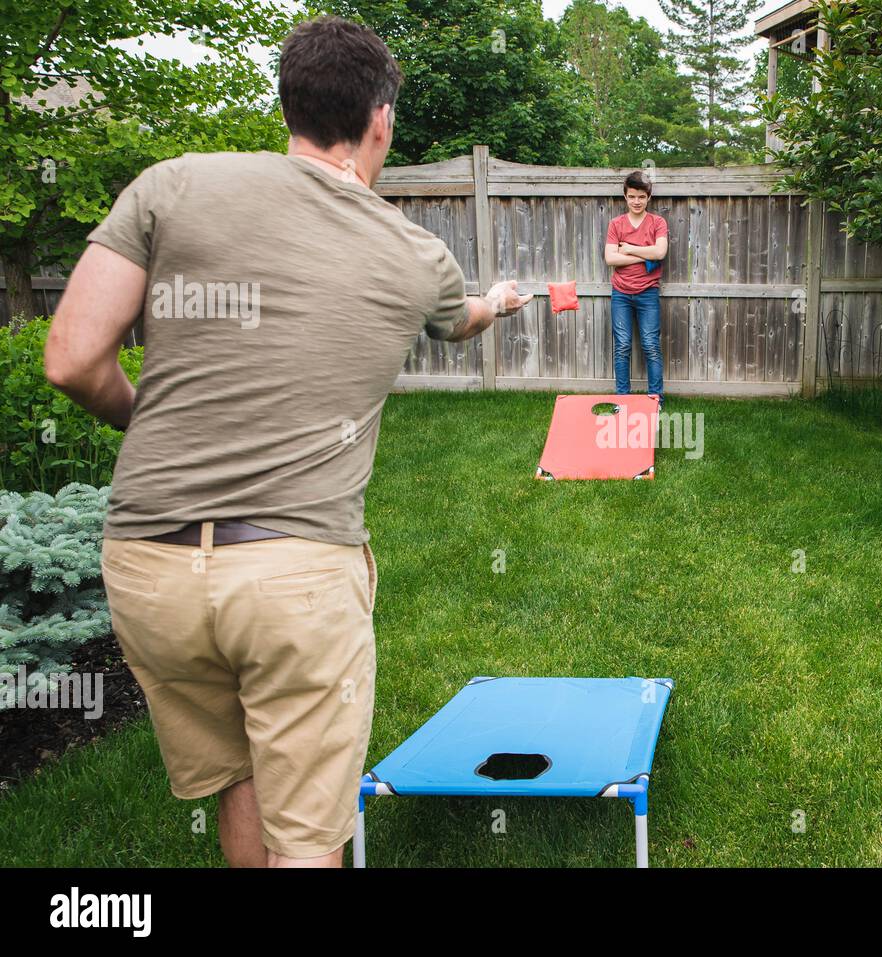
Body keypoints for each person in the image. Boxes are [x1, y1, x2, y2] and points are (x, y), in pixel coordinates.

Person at [42, 15, 531, 868]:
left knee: (244, 776)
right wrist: (497, 302)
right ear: (381, 118)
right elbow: (462, 322)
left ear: (290, 105)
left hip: (149, 568)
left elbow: (74, 359)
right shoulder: (416, 256)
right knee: (308, 836)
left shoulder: (171, 187)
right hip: (291, 580)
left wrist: (142, 417)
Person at [604, 171, 668, 402]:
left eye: (641, 197)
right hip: (621, 293)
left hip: (647, 293)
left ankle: (655, 399)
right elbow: (611, 259)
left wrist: (629, 249)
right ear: (625, 196)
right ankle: (623, 400)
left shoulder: (657, 223)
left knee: (651, 346)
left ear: (648, 197)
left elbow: (660, 252)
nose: (636, 201)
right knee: (622, 346)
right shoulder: (616, 224)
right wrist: (646, 256)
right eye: (632, 197)